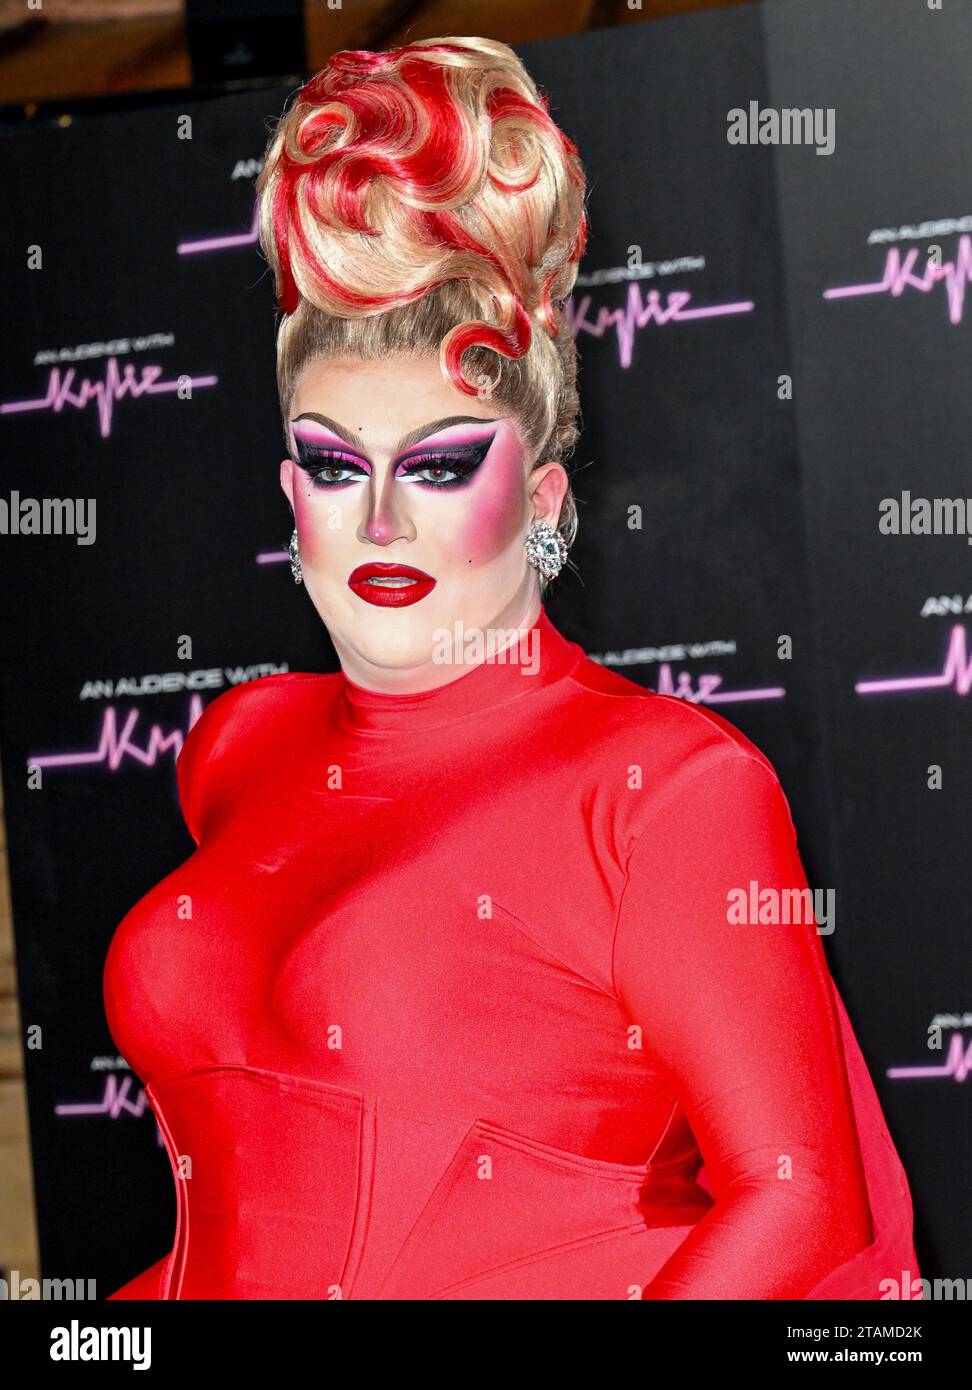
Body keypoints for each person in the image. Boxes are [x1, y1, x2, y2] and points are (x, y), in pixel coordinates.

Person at [103, 36, 919, 1300]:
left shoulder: (663, 789)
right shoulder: (237, 744)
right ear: (288, 493)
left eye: (437, 466)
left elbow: (799, 1199)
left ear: (540, 498)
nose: (381, 518)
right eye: (333, 463)